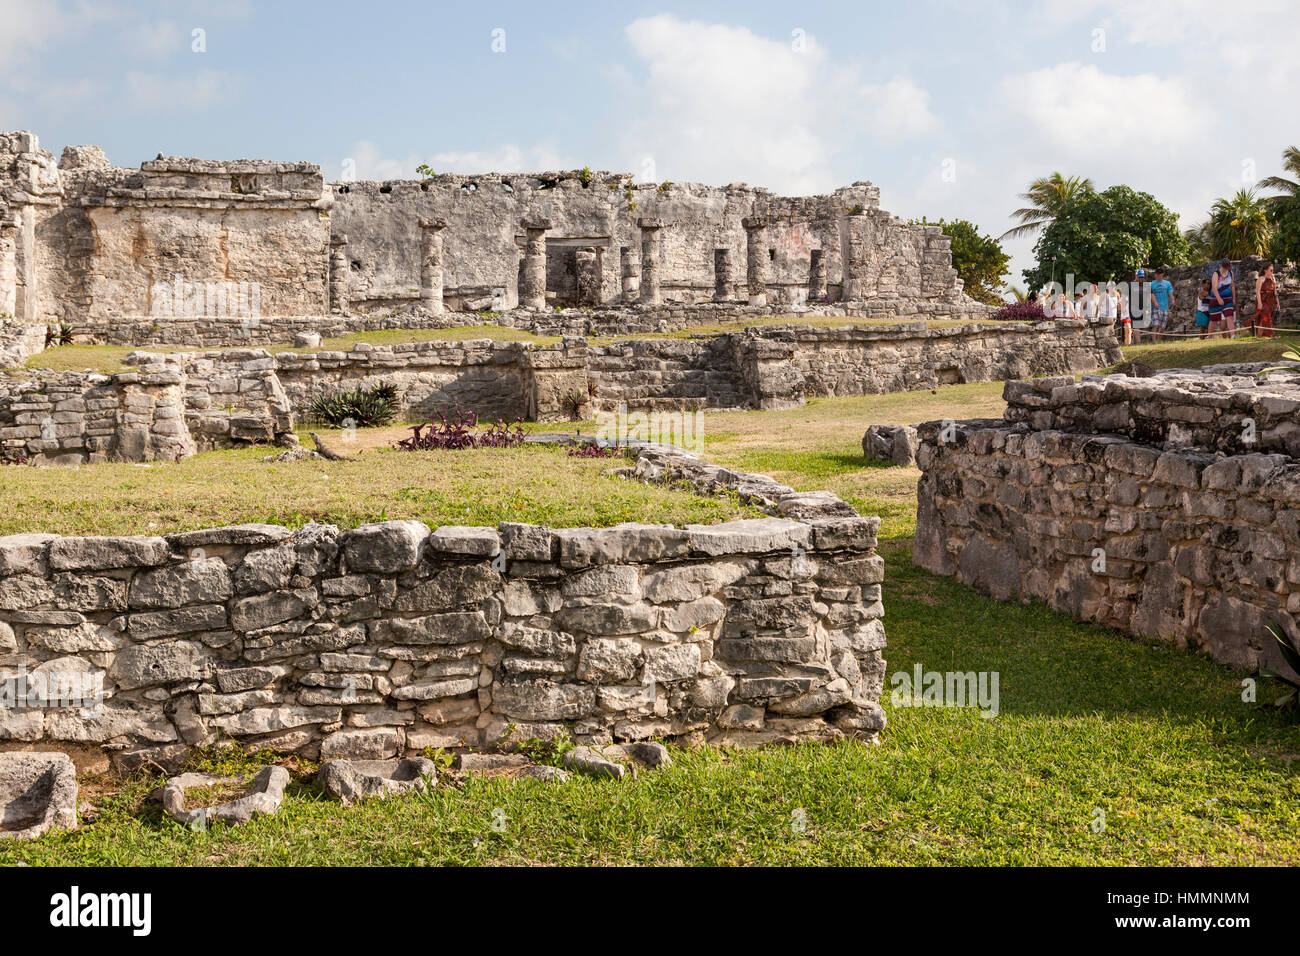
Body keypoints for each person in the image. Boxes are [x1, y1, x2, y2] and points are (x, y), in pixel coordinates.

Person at [1209, 259, 1236, 339]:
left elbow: (1232, 285)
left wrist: (1234, 298)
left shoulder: (1231, 273)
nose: (1226, 269)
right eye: (1225, 267)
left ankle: (1232, 335)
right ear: (1221, 265)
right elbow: (1214, 288)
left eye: (1227, 267)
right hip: (1215, 299)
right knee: (1214, 319)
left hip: (1228, 299)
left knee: (1229, 316)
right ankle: (1209, 336)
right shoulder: (1216, 274)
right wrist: (1219, 299)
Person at [1148, 268, 1174, 342]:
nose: (1158, 275)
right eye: (1156, 274)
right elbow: (1150, 295)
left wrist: (1172, 300)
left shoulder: (1167, 283)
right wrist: (1154, 303)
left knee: (1163, 326)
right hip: (1155, 307)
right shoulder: (1151, 284)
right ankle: (1154, 341)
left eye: (1159, 274)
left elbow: (1170, 293)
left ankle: (1159, 340)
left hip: (1165, 307)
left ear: (1162, 274)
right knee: (1155, 324)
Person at [1255, 262, 1277, 338]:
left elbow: (1275, 291)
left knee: (1264, 318)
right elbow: (1257, 292)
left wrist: (1278, 302)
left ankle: (1259, 336)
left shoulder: (1272, 279)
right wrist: (1260, 303)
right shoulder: (1260, 279)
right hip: (1262, 300)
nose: (1272, 272)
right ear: (1265, 270)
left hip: (1270, 301)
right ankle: (1270, 334)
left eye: (1273, 270)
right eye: (1271, 270)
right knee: (1265, 317)